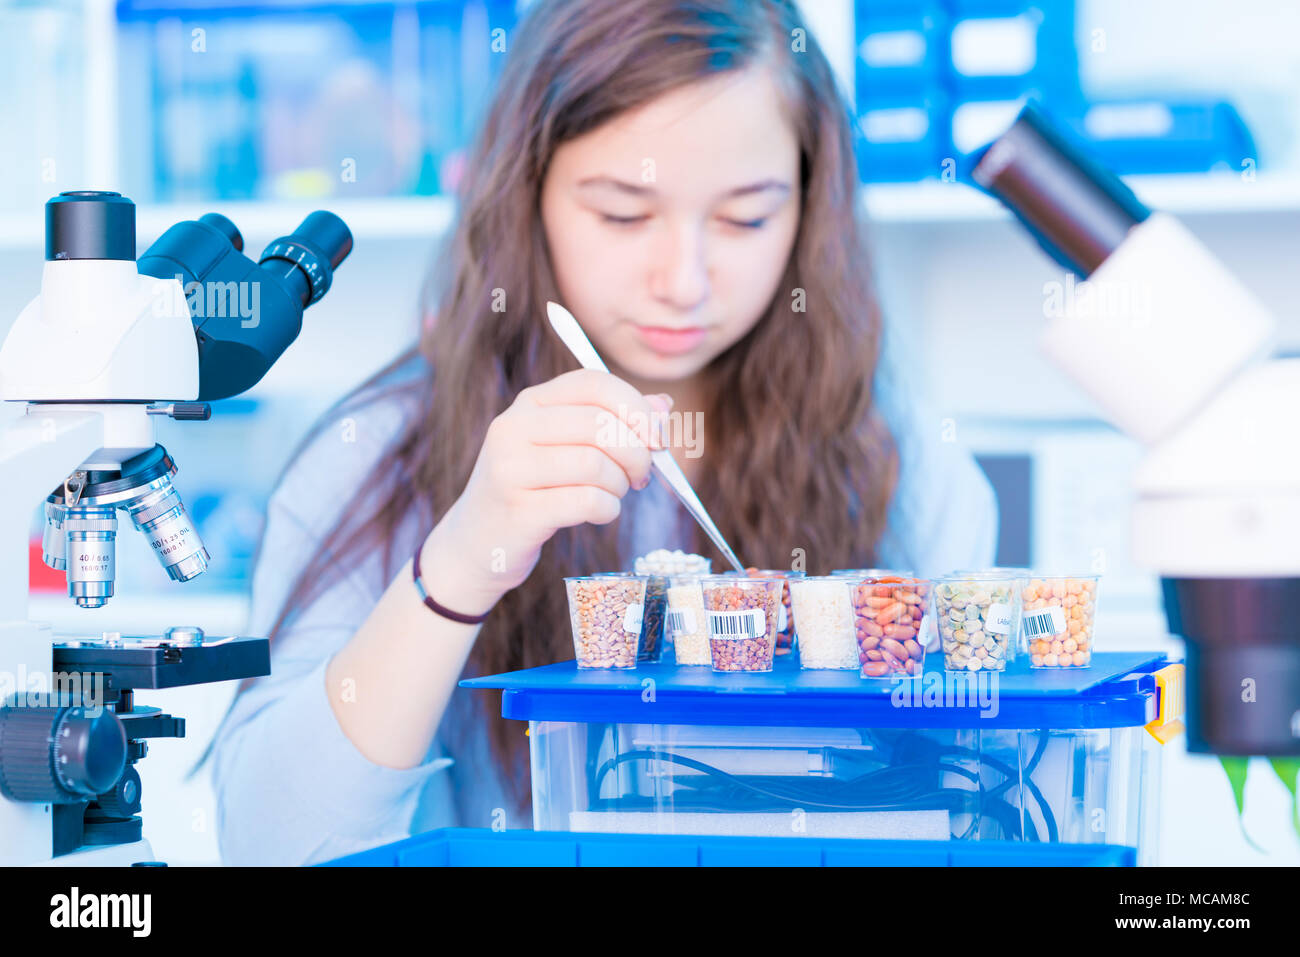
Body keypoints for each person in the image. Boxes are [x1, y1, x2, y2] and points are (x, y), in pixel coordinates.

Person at [212, 0, 997, 865]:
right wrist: (463, 563)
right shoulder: (374, 461)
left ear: (813, 212)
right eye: (624, 213)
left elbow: (968, 811)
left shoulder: (898, 464)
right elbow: (269, 847)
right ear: (523, 192)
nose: (685, 281)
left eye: (746, 217)